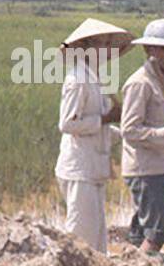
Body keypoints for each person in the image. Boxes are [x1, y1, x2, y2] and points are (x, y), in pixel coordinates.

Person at [54, 18, 132, 253]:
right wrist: (108, 118)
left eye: (109, 44)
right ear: (86, 48)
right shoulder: (78, 79)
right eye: (102, 44)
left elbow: (101, 127)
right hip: (80, 169)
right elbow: (67, 124)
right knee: (81, 238)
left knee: (98, 239)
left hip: (93, 168)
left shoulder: (94, 78)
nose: (108, 50)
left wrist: (126, 131)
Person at [121, 18, 164, 253]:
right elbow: (129, 130)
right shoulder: (140, 83)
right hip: (145, 169)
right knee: (156, 234)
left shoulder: (162, 80)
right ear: (149, 49)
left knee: (141, 233)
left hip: (159, 167)